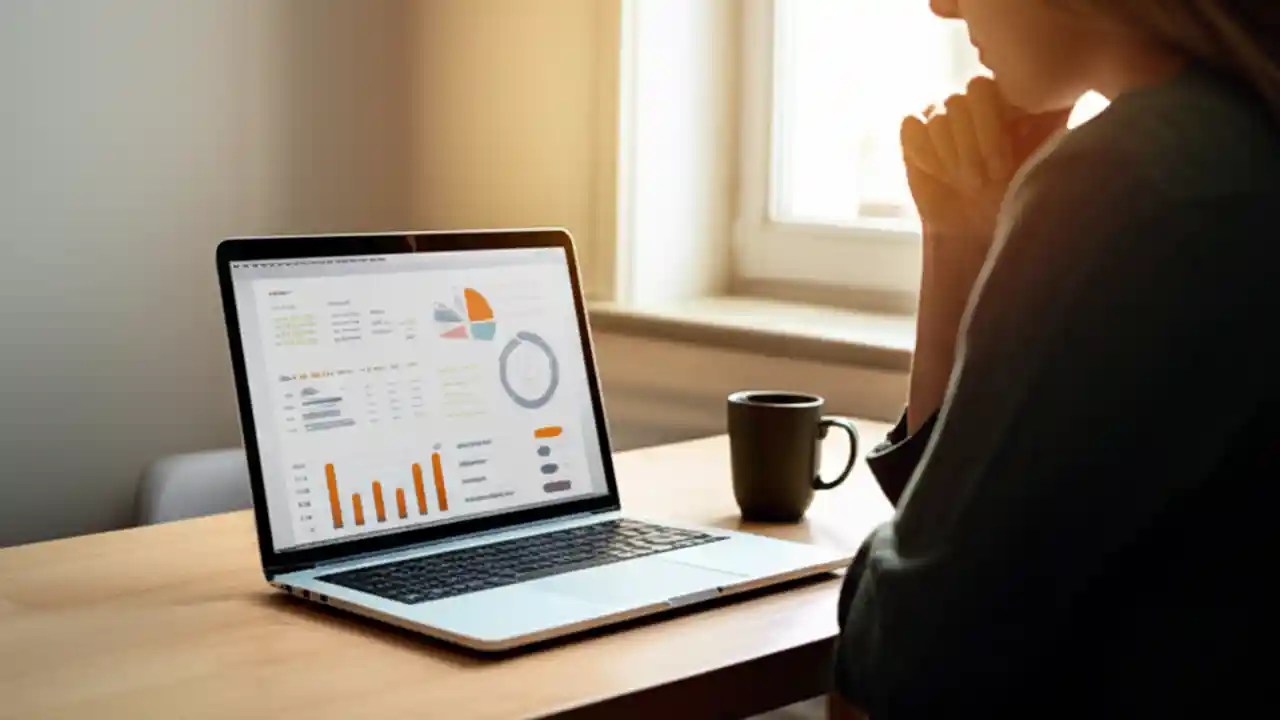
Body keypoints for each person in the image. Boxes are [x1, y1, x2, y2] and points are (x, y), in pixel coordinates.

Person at [830, 0, 1280, 717]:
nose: (940, 6)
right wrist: (961, 240)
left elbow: (911, 651)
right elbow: (950, 524)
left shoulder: (1130, 178)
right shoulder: (1236, 132)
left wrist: (879, 587)